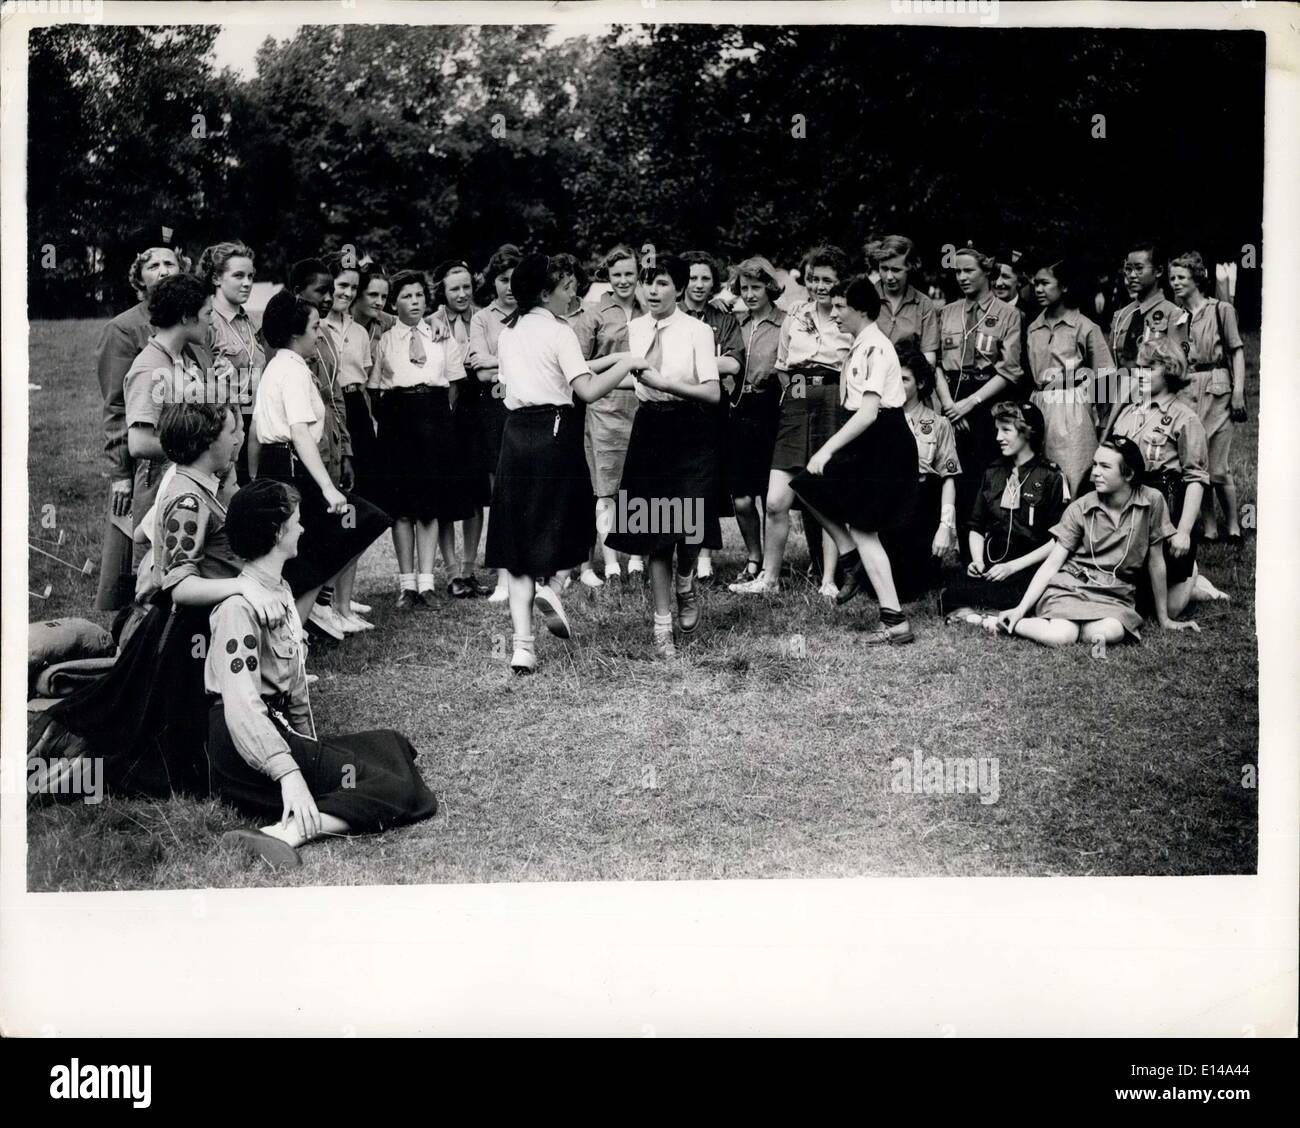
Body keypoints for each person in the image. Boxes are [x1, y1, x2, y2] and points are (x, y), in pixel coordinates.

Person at [46, 401, 288, 799]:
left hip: (190, 630)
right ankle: (72, 771)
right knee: (158, 754)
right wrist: (243, 586)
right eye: (231, 433)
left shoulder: (199, 484)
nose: (238, 440)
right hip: (184, 635)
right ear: (206, 443)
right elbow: (179, 585)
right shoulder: (188, 500)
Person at [209, 478, 438, 869]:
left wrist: (309, 746)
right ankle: (289, 833)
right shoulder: (237, 609)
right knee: (398, 788)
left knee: (391, 745)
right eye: (296, 522)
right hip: (244, 744)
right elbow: (242, 708)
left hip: (274, 728)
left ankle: (304, 811)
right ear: (277, 532)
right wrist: (290, 774)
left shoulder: (278, 589)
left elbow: (293, 684)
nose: (302, 528)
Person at [486, 253, 649, 673]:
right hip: (555, 434)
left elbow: (561, 369)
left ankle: (523, 646)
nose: (573, 292)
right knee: (573, 518)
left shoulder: (510, 332)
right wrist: (627, 361)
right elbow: (588, 390)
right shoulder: (560, 332)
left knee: (519, 540)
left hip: (516, 434)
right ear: (544, 293)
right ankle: (555, 585)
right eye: (565, 286)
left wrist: (612, 361)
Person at [604, 254, 723, 658]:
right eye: (647, 283)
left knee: (689, 526)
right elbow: (632, 381)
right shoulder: (635, 329)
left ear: (680, 288)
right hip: (650, 430)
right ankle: (661, 627)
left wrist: (667, 384)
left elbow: (712, 391)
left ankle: (686, 581)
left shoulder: (698, 331)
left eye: (662, 283)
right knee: (656, 533)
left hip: (691, 429)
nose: (652, 291)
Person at [789, 276, 919, 645]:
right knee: (807, 487)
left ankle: (894, 620)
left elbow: (868, 413)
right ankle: (850, 559)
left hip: (883, 441)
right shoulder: (861, 345)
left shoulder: (877, 347)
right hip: (866, 440)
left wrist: (826, 449)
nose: (834, 314)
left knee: (865, 529)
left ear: (861, 309)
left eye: (841, 307)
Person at [253, 291, 390, 629]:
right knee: (358, 521)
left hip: (279, 466)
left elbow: (258, 429)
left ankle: (302, 625)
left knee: (314, 551)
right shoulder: (293, 371)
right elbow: (299, 433)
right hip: (292, 468)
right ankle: (294, 634)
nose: (320, 334)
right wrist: (328, 488)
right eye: (315, 328)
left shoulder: (279, 367)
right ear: (295, 333)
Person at [994, 439, 1200, 646]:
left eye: (1105, 466)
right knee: (1060, 636)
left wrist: (1164, 618)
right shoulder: (1080, 508)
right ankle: (1000, 621)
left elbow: (1156, 561)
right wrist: (1021, 608)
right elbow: (1052, 565)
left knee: (1108, 632)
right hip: (1072, 587)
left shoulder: (1152, 501)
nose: (1095, 473)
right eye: (1095, 464)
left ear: (1128, 474)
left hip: (1115, 593)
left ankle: (1075, 628)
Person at [731, 244, 852, 594]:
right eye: (813, 278)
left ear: (840, 281)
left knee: (828, 492)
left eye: (827, 280)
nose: (819, 286)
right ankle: (768, 578)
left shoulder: (848, 316)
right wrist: (794, 402)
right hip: (797, 397)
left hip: (834, 397)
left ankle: (829, 579)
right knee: (774, 499)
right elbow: (784, 366)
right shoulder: (796, 314)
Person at [93, 226, 185, 612]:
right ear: (138, 275)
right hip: (142, 456)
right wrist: (119, 473)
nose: (163, 271)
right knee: (136, 548)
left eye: (170, 263)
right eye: (154, 265)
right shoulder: (123, 328)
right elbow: (116, 405)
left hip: (179, 452)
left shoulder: (189, 322)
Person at [371, 270, 472, 609]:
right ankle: (407, 584)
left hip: (435, 417)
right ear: (393, 302)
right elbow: (377, 387)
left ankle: (427, 583)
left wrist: (439, 417)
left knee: (429, 504)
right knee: (402, 508)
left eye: (418, 296)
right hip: (399, 419)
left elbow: (455, 382)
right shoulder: (386, 340)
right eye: (406, 296)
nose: (414, 302)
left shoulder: (441, 335)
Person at [1106, 336, 1224, 615]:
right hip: (1125, 509)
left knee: (1167, 610)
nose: (1140, 374)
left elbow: (1196, 479)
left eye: (1150, 368)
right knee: (1132, 600)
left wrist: (1183, 532)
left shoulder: (1185, 418)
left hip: (1164, 509)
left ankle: (1192, 576)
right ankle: (1181, 585)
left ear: (1169, 370)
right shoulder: (1128, 412)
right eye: (1138, 368)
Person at [940, 401, 1068, 622]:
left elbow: (1058, 540)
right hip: (993, 561)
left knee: (1025, 594)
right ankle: (987, 616)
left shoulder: (1051, 477)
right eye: (997, 430)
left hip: (1027, 564)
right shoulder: (993, 472)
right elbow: (976, 526)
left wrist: (1012, 567)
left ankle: (981, 615)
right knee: (952, 592)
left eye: (1006, 430)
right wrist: (978, 561)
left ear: (1027, 433)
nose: (998, 437)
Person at [122, 273, 223, 551]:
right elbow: (139, 443)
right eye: (208, 313)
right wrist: (197, 452)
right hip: (160, 494)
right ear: (186, 316)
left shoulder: (184, 357)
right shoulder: (149, 368)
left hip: (187, 488)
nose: (212, 320)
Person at [935, 246, 1024, 535]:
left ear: (987, 271)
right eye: (957, 271)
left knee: (988, 476)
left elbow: (1009, 369)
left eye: (968, 270)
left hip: (988, 400)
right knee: (956, 478)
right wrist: (950, 405)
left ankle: (988, 550)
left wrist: (970, 404)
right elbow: (935, 362)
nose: (961, 277)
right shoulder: (947, 313)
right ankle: (962, 557)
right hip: (951, 396)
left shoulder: (1009, 314)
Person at [313, 255, 379, 633]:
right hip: (327, 412)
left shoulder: (359, 330)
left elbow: (363, 381)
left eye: (353, 287)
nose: (347, 293)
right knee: (335, 509)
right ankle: (324, 600)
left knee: (356, 508)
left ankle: (342, 600)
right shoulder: (314, 328)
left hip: (355, 409)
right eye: (341, 285)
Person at [1168, 250, 1247, 546]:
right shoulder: (1176, 317)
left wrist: (1238, 391)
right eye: (1172, 277)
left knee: (1218, 466)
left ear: (1196, 280)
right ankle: (1210, 528)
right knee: (1197, 462)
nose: (1175, 283)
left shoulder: (1220, 309)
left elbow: (1236, 350)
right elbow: (1176, 360)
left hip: (1218, 387)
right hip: (1188, 390)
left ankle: (1235, 527)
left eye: (1181, 278)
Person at [1023, 256, 1115, 497]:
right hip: (1039, 404)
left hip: (1072, 410)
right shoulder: (1033, 327)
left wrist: (1103, 420)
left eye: (1045, 283)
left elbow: (1105, 376)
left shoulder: (1084, 327)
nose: (1038, 289)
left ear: (1064, 286)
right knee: (1038, 472)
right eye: (1035, 284)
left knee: (1072, 473)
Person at [585, 243, 648, 584]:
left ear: (639, 274)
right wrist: (619, 364)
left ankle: (637, 559)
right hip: (605, 410)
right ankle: (611, 564)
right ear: (607, 277)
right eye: (617, 274)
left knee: (637, 484)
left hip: (643, 407)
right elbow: (581, 364)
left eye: (629, 273)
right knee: (606, 489)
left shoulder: (648, 310)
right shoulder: (595, 312)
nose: (624, 280)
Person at [680, 250, 744, 586]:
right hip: (676, 409)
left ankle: (704, 556)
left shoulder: (723, 318)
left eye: (706, 278)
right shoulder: (674, 314)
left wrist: (688, 362)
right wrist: (707, 362)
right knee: (680, 484)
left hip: (712, 410)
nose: (699, 285)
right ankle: (681, 554)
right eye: (692, 278)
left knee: (707, 484)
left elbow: (733, 364)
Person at [878, 343, 961, 601]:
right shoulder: (877, 420)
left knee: (911, 588)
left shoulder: (938, 424)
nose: (896, 384)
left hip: (921, 508)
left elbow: (948, 478)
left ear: (921, 384)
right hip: (887, 509)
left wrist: (945, 526)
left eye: (904, 379)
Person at [429, 257, 491, 597]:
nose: (463, 293)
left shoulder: (482, 318)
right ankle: (451, 572)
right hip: (444, 410)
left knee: (476, 493)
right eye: (455, 288)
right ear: (442, 291)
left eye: (467, 286)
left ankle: (469, 570)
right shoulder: (431, 323)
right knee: (446, 495)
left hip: (477, 410)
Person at [725, 256, 786, 585]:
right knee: (742, 497)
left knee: (770, 493)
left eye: (756, 287)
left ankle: (770, 567)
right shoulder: (735, 322)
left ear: (770, 288)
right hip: (739, 409)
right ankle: (753, 556)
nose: (749, 294)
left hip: (772, 408)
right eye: (744, 288)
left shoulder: (786, 322)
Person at [467, 244, 522, 602]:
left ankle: (533, 569)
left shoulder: (534, 314)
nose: (510, 287)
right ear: (494, 282)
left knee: (527, 489)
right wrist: (510, 363)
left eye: (516, 280)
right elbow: (478, 364)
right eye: (503, 280)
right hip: (494, 409)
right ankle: (503, 577)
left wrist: (498, 363)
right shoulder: (482, 318)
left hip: (527, 407)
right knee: (500, 492)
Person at [198, 240, 265, 486]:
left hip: (256, 423)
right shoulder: (207, 322)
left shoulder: (250, 322)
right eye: (238, 276)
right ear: (216, 278)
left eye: (250, 276)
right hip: (226, 424)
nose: (247, 283)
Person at [1108, 239, 1184, 421]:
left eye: (1139, 269)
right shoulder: (1121, 316)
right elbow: (1109, 366)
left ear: (1158, 271)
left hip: (1155, 408)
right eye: (1128, 269)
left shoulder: (1173, 314)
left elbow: (1178, 371)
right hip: (1121, 405)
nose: (1132, 275)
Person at [868, 235, 939, 367]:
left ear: (909, 268)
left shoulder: (923, 304)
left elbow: (929, 357)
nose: (889, 277)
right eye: (884, 269)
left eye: (896, 270)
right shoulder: (864, 297)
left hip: (906, 378)